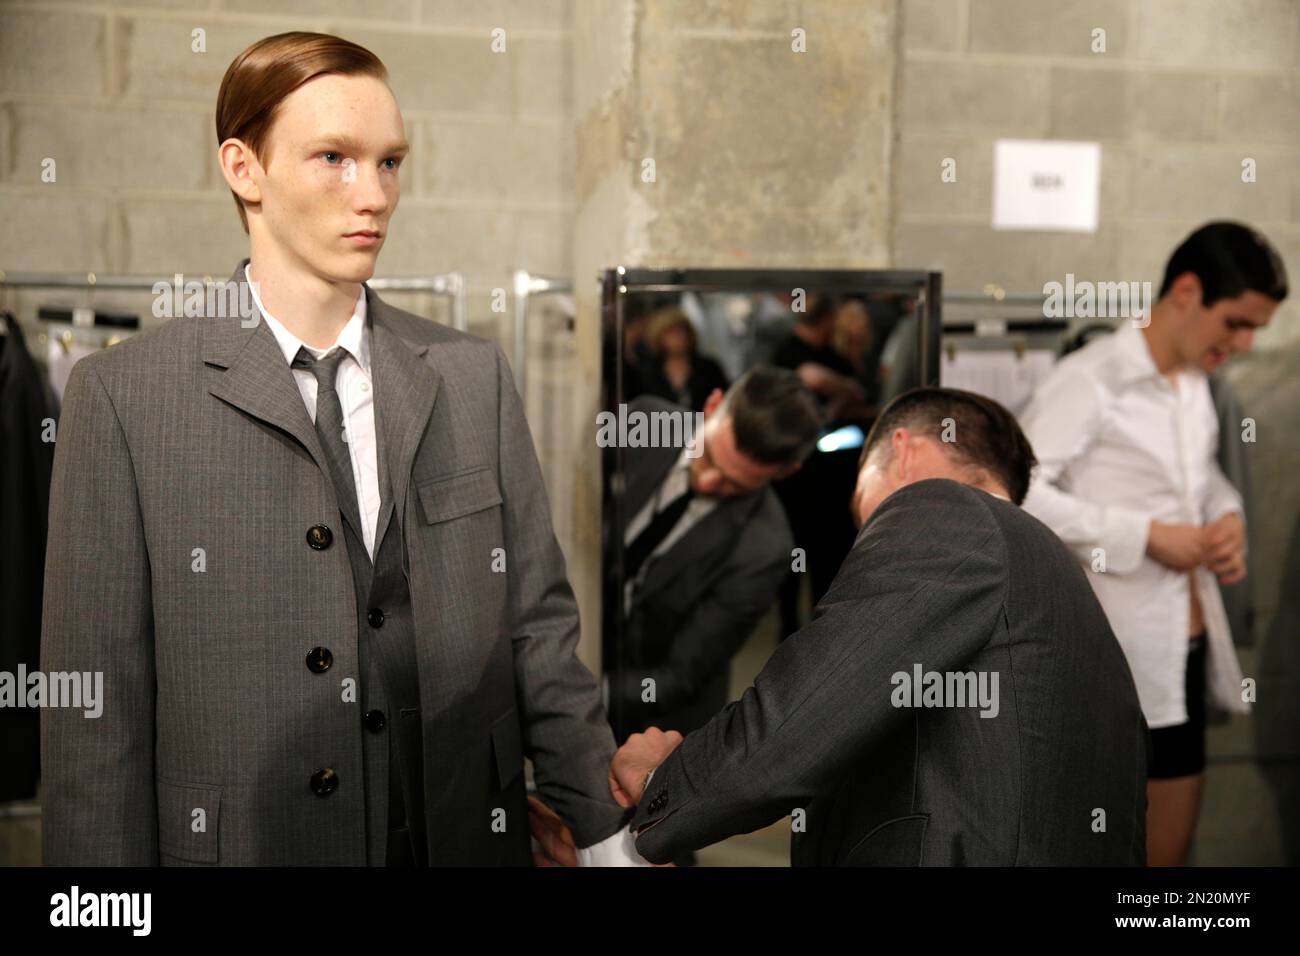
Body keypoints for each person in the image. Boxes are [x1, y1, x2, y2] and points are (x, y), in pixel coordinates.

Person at [40, 31, 634, 866]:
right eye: (335, 158)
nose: (376, 194)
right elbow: (95, 713)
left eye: (390, 162)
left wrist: (605, 835)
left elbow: (537, 629)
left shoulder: (471, 377)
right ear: (243, 168)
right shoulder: (124, 399)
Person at [606, 387, 1149, 865]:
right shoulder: (1061, 591)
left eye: (860, 506)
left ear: (905, 451)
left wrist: (668, 778)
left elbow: (804, 712)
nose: (864, 535)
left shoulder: (943, 509)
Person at [1016, 221, 1288, 866]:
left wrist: (1226, 517)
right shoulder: (1090, 379)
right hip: (1111, 655)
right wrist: (1143, 536)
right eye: (1236, 323)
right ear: (1187, 291)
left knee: (1167, 857)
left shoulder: (1193, 382)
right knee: (1100, 849)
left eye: (1256, 330)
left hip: (1183, 646)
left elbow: (1205, 477)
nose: (1244, 343)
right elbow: (1017, 492)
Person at [606, 367, 820, 744]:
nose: (707, 483)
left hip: (655, 723)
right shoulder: (644, 419)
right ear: (712, 405)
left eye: (732, 484)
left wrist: (587, 692)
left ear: (786, 472)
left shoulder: (764, 548)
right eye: (707, 459)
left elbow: (680, 675)